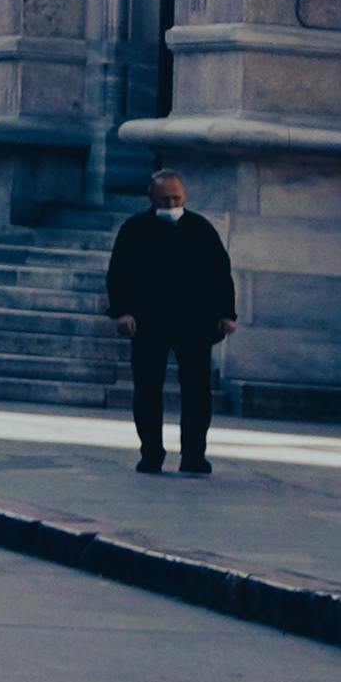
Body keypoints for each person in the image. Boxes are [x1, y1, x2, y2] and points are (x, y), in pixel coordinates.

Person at [104, 155, 237, 472]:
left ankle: (193, 454)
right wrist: (122, 312)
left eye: (176, 198)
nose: (171, 203)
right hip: (149, 320)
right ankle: (151, 452)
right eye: (165, 199)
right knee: (148, 389)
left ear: (185, 196)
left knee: (197, 392)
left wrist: (225, 313)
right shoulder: (135, 229)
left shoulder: (200, 229)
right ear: (151, 198)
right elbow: (119, 273)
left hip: (194, 321)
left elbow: (220, 273)